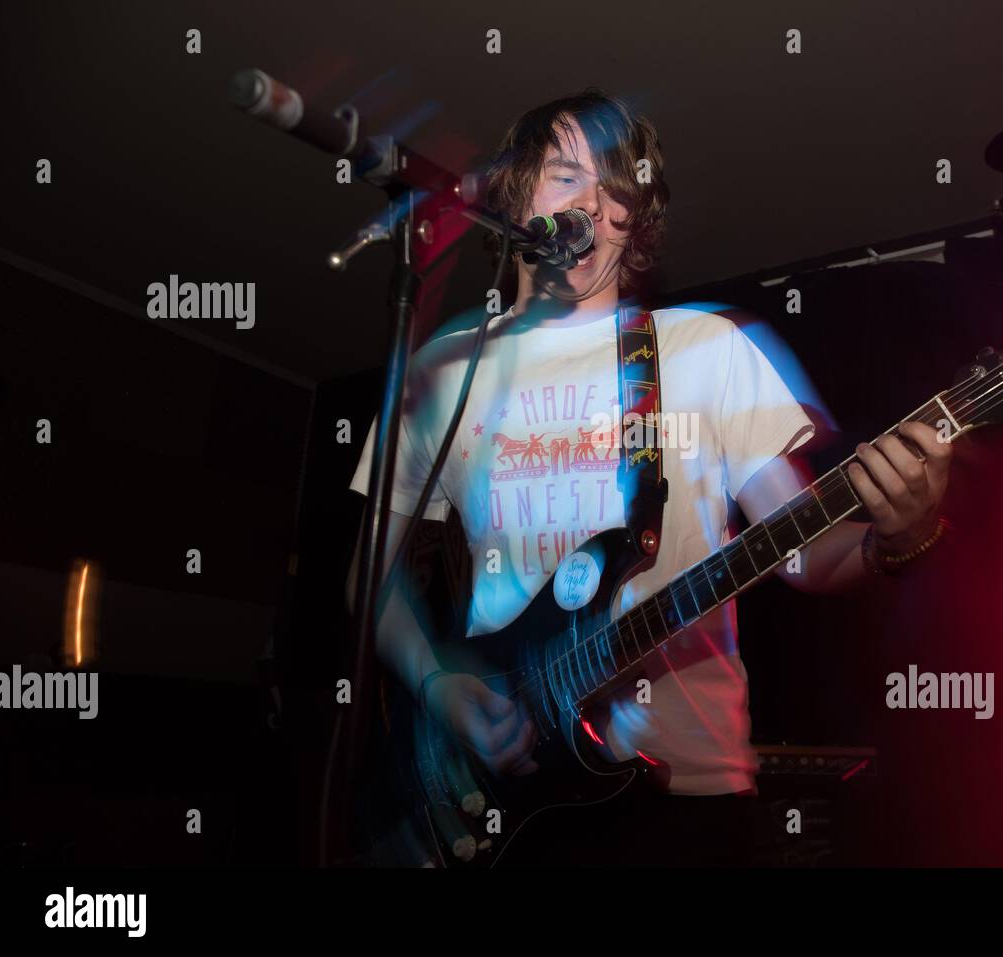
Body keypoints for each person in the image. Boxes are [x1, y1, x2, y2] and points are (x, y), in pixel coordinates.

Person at [347, 88, 951, 866]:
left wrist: (897, 535)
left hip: (681, 802)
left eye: (618, 189)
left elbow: (802, 552)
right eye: (567, 176)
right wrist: (437, 685)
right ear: (514, 193)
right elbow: (369, 578)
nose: (593, 206)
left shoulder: (705, 348)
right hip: (504, 798)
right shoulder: (445, 370)